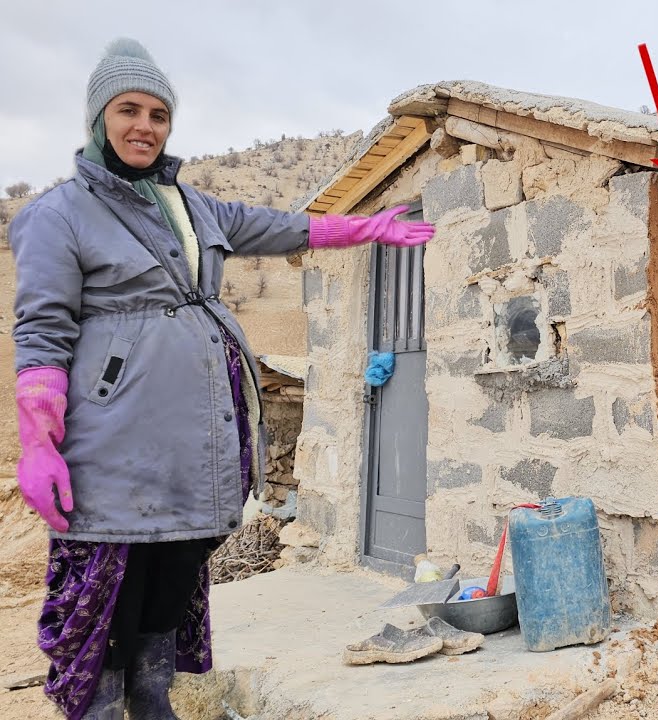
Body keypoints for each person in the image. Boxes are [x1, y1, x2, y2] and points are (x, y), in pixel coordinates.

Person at [10, 39, 434, 719]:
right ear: (99, 118)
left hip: (196, 432)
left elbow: (283, 227)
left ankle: (153, 698)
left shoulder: (193, 206)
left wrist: (367, 228)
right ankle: (100, 706)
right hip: (114, 436)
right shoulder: (58, 215)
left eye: (158, 113)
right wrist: (37, 440)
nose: (145, 126)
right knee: (114, 578)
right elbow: (43, 329)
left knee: (175, 567)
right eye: (129, 110)